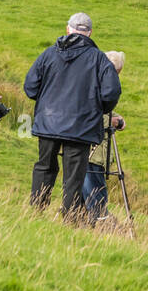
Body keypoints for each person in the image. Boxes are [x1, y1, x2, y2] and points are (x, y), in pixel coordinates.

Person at [24, 13, 121, 223]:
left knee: (44, 167)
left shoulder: (48, 54)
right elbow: (111, 92)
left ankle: (36, 211)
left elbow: (30, 86)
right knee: (73, 176)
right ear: (89, 32)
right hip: (81, 126)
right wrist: (98, 109)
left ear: (68, 29)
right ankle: (70, 219)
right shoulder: (99, 59)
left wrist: (46, 102)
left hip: (48, 122)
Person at [84, 51, 126, 224]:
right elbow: (89, 114)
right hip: (93, 149)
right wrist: (112, 121)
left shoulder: (94, 81)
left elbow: (100, 110)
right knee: (95, 187)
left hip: (94, 149)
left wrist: (115, 118)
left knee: (93, 185)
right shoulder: (95, 84)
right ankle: (101, 220)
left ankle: (90, 220)